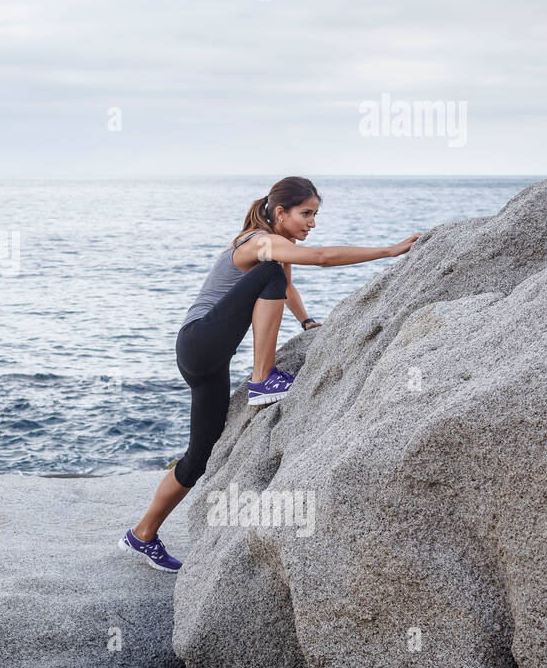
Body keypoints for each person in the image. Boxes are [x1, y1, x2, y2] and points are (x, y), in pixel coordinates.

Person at [120, 176, 423, 572]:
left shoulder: (276, 251)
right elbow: (322, 258)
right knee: (271, 276)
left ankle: (142, 534)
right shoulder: (256, 242)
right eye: (306, 214)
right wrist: (389, 250)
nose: (312, 223)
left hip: (206, 357)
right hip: (200, 340)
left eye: (315, 215)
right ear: (280, 212)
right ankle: (263, 379)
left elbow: (287, 288)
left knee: (200, 455)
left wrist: (307, 321)